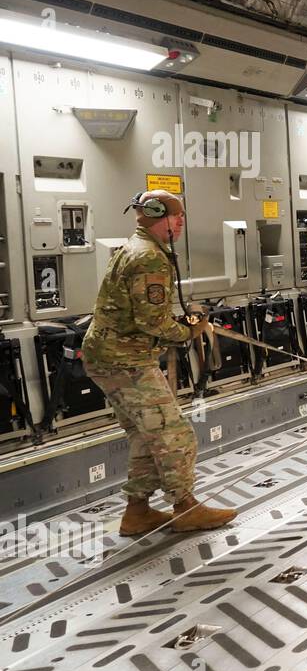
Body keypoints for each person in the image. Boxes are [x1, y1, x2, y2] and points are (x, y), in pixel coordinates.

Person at [81, 191, 237, 536]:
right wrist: (188, 331)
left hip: (108, 357)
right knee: (174, 435)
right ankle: (185, 506)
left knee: (145, 435)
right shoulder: (150, 257)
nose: (181, 222)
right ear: (155, 216)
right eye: (176, 216)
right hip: (126, 361)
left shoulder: (132, 248)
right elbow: (152, 322)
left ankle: (137, 512)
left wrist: (182, 327)